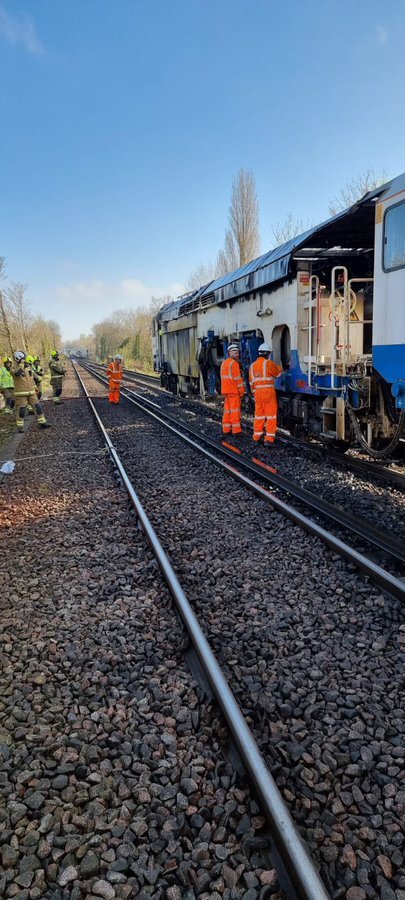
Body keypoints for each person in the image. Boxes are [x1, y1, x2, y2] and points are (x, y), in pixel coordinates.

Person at [249, 342, 282, 444]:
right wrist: (280, 368)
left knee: (259, 415)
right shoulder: (268, 363)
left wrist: (255, 394)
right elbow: (277, 373)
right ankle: (269, 439)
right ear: (268, 354)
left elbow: (251, 383)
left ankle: (257, 437)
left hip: (258, 393)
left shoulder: (252, 366)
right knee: (271, 415)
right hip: (268, 392)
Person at [12, 351, 49, 432]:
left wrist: (39, 378)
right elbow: (18, 373)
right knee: (22, 411)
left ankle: (42, 423)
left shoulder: (28, 368)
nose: (25, 360)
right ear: (19, 359)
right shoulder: (14, 368)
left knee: (38, 407)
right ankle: (20, 427)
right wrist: (21, 365)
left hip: (31, 393)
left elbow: (34, 377)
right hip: (21, 394)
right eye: (23, 359)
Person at [220, 343, 246, 435]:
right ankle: (236, 431)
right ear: (229, 353)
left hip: (226, 391)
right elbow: (237, 380)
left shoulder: (224, 363)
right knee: (235, 411)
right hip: (233, 391)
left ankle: (226, 429)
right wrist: (242, 392)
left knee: (227, 411)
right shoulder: (234, 364)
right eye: (235, 353)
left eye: (238, 353)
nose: (237, 355)